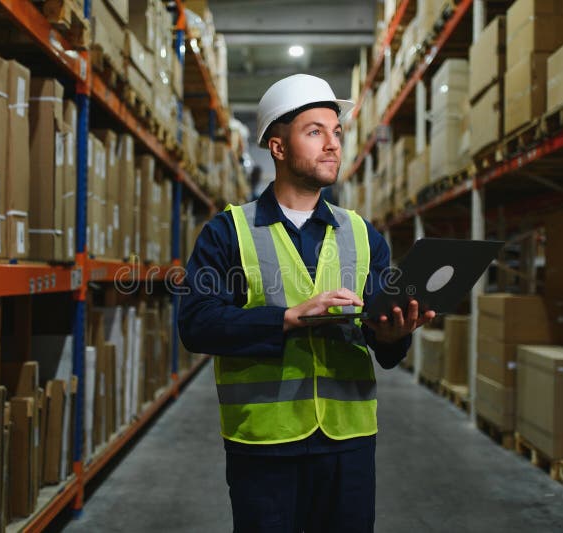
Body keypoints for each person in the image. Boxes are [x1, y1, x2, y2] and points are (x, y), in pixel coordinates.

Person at [178, 73, 435, 533]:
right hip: (264, 444)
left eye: (336, 132)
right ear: (277, 147)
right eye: (315, 132)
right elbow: (196, 323)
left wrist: (393, 337)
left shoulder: (362, 234)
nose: (332, 144)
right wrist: (287, 319)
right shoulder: (229, 232)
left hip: (349, 442)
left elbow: (380, 339)